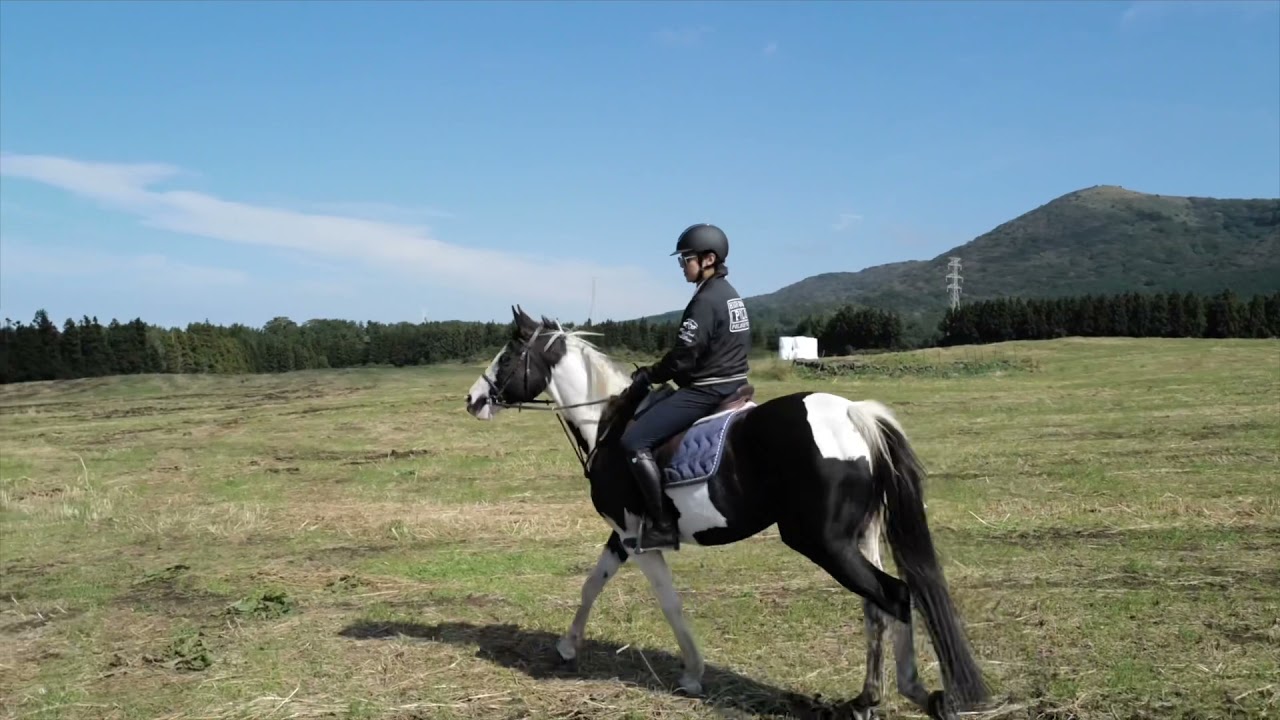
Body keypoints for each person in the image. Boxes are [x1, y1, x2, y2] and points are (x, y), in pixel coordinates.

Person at [622, 222, 752, 551]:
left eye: (686, 259)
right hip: (735, 382)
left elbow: (682, 358)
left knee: (634, 441)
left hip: (709, 390)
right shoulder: (731, 295)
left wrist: (649, 375)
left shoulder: (705, 301)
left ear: (708, 259)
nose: (683, 266)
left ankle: (663, 525)